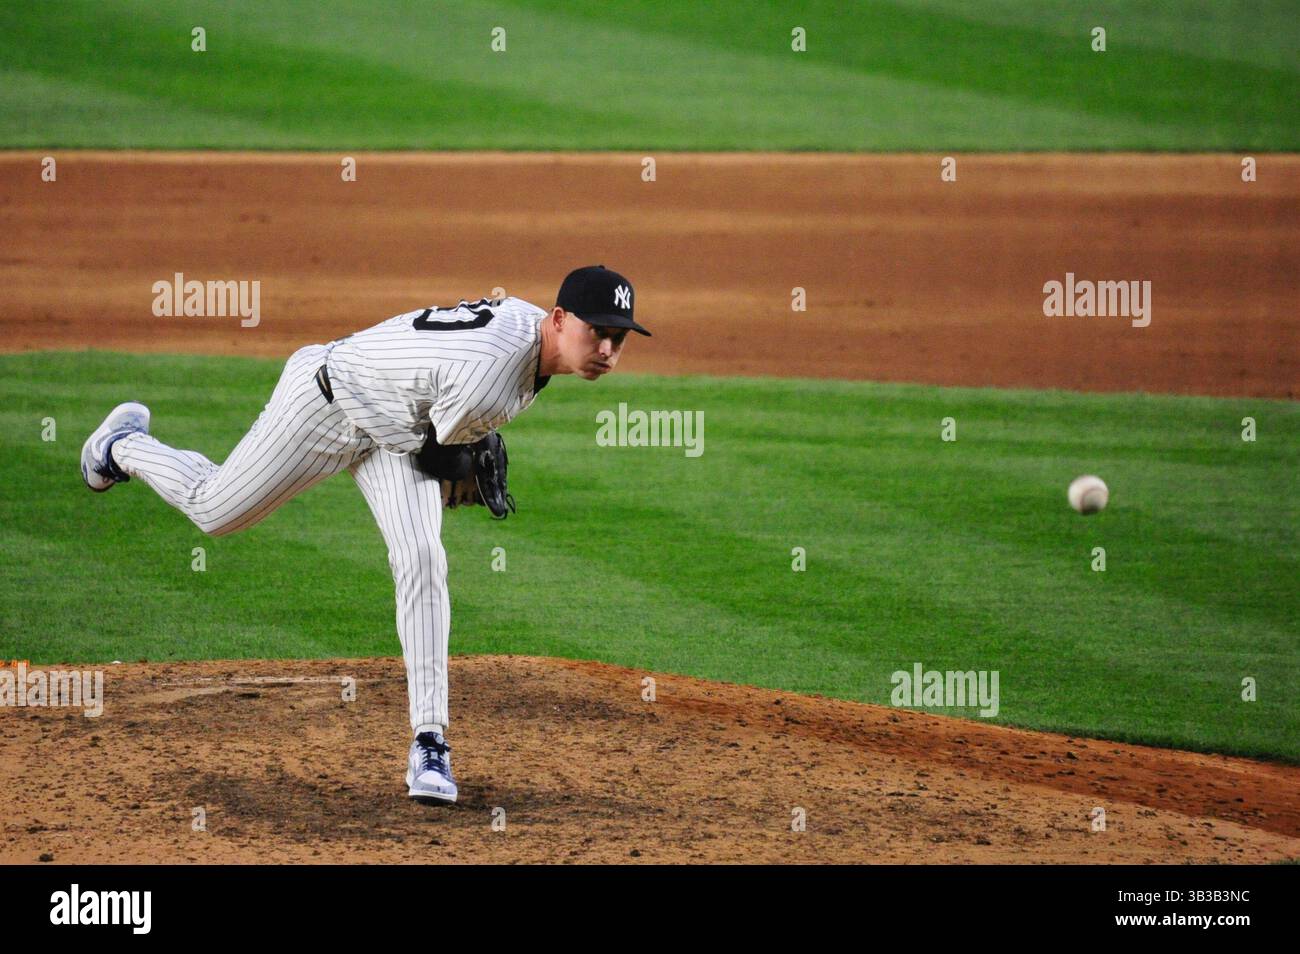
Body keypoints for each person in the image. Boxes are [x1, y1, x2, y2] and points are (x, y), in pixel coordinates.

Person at [80, 265, 650, 804]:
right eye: (595, 331)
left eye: (617, 340)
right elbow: (439, 457)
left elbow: (432, 425)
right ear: (556, 319)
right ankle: (122, 446)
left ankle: (430, 745)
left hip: (394, 429)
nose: (605, 349)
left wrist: (470, 447)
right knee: (215, 511)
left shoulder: (527, 336)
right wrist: (469, 459)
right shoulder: (492, 376)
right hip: (324, 404)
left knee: (423, 558)